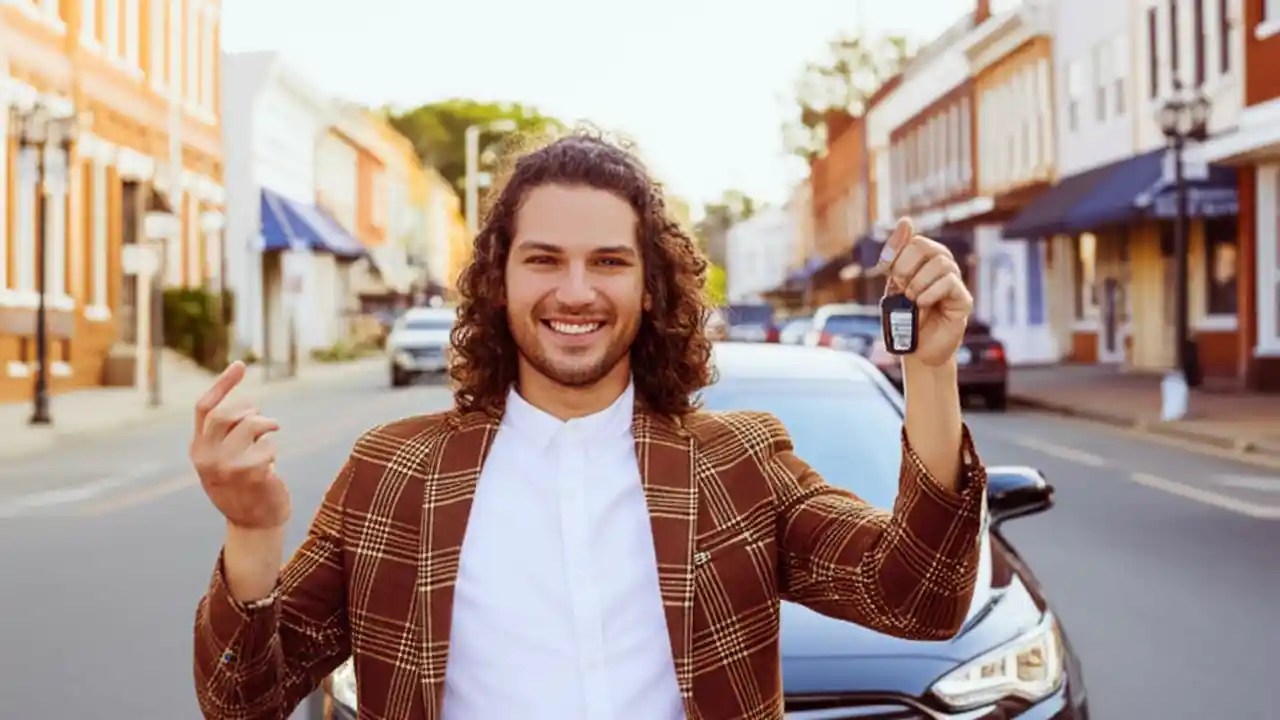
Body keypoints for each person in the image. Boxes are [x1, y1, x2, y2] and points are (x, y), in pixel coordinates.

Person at [190, 131, 989, 720]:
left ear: (651, 288)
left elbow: (919, 596)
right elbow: (241, 700)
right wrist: (251, 529)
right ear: (498, 279)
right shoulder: (395, 472)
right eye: (544, 260)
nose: (576, 291)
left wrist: (928, 369)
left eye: (608, 262)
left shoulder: (739, 463)